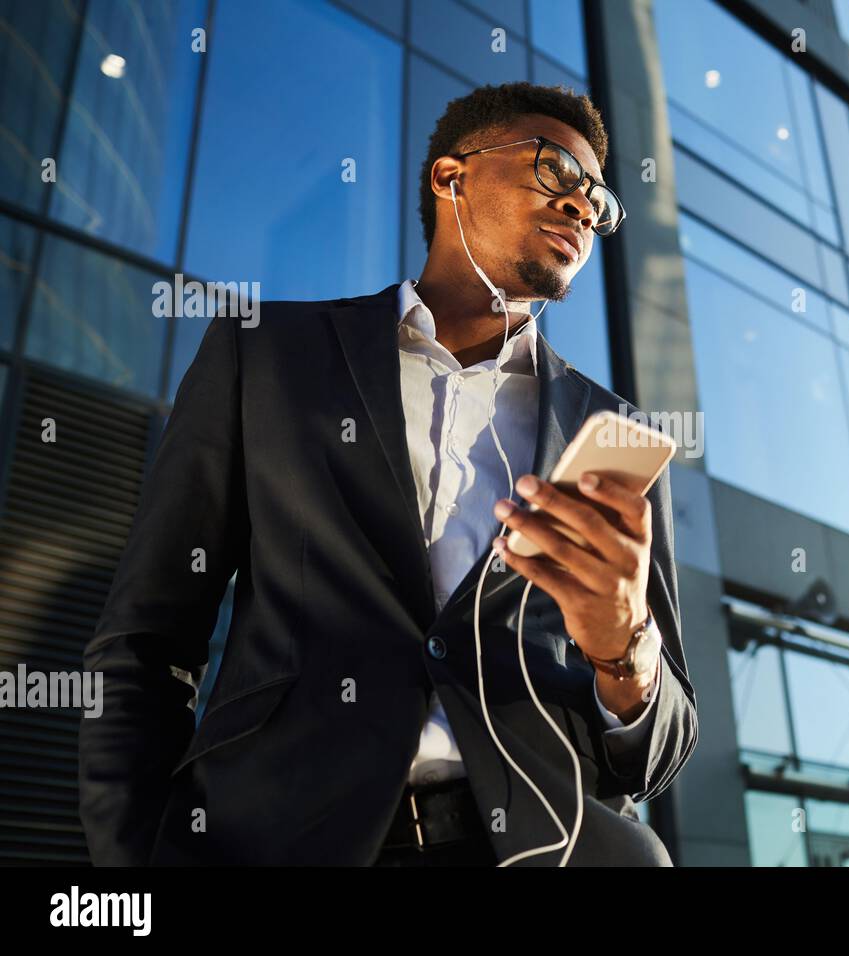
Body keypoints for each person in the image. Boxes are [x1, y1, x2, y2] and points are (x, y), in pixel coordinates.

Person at [78, 81, 698, 866]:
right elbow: (147, 641)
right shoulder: (268, 356)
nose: (583, 207)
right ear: (451, 177)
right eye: (555, 172)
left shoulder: (615, 439)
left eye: (598, 200)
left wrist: (623, 649)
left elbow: (662, 750)